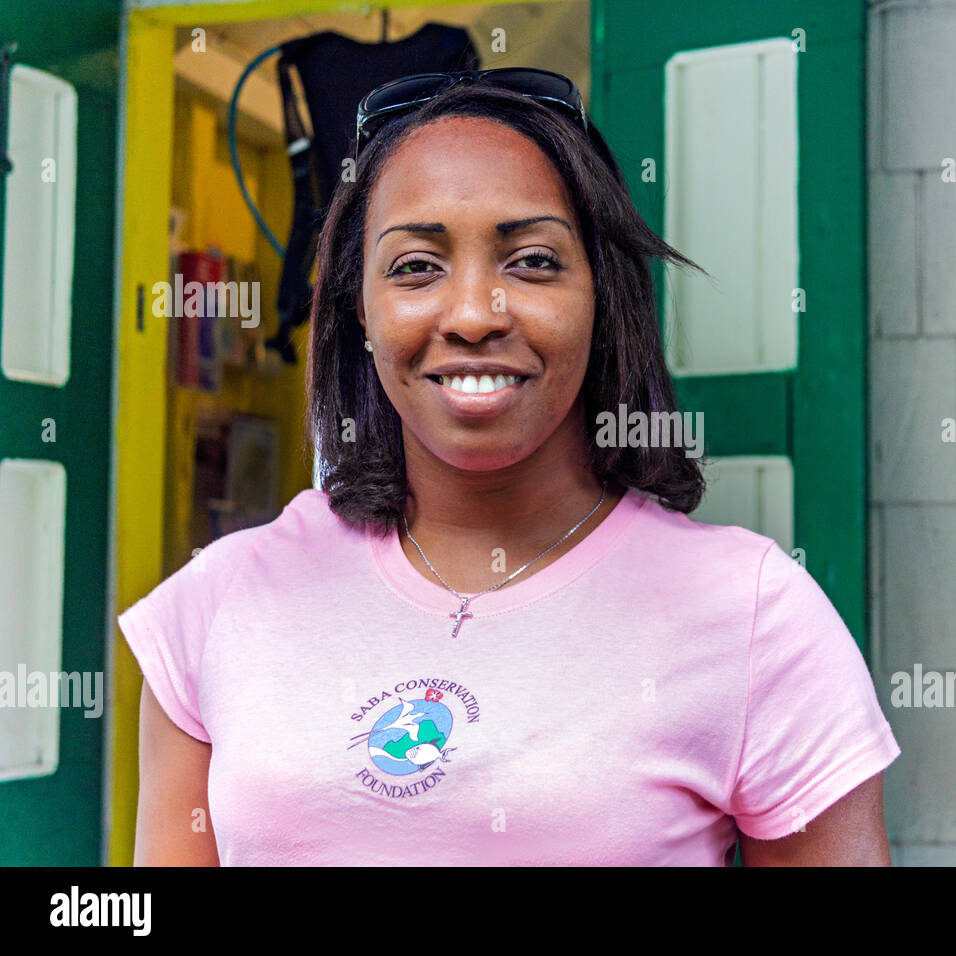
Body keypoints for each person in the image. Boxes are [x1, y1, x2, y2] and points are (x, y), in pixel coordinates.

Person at [122, 69, 900, 866]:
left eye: (531, 261)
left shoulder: (753, 616)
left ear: (603, 296)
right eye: (416, 267)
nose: (470, 315)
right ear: (359, 308)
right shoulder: (215, 608)